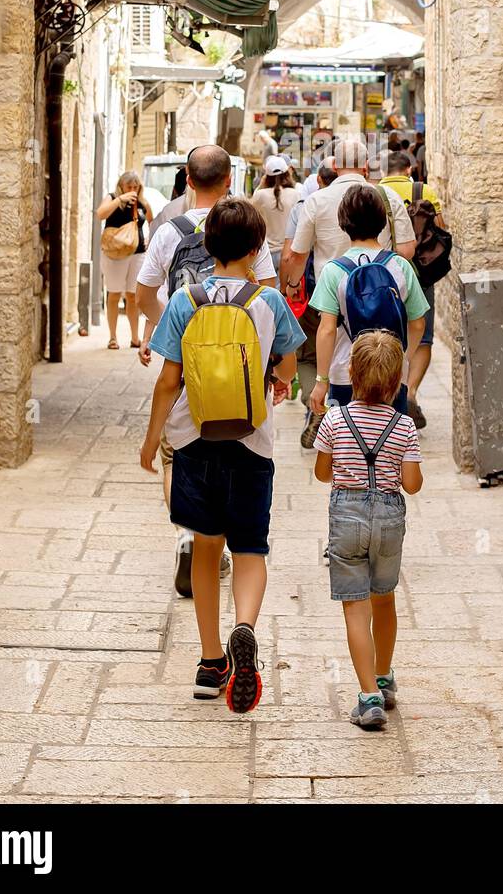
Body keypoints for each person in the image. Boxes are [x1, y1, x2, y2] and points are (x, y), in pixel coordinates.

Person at [140, 197, 304, 713]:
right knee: (251, 548)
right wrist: (277, 383)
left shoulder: (185, 301)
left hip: (194, 440)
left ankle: (212, 662)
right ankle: (245, 627)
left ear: (206, 245)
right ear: (257, 250)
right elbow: (289, 366)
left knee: (207, 549)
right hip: (252, 443)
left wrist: (150, 442)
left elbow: (168, 382)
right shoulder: (268, 301)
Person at [135, 145, 276, 595]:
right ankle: (228, 541)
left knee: (178, 452)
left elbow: (143, 295)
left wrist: (166, 331)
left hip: (186, 362)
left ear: (187, 180)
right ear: (229, 179)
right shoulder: (248, 227)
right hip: (239, 369)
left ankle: (187, 535)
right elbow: (268, 294)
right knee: (238, 449)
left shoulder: (167, 232)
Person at [313, 330, 423, 730]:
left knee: (354, 607)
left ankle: (368, 696)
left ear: (351, 374)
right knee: (384, 598)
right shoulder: (404, 426)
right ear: (396, 383)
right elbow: (411, 483)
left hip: (347, 516)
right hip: (389, 517)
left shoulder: (335, 420)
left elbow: (323, 472)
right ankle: (383, 674)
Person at [308, 184, 427, 416]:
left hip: (346, 373)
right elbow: (418, 323)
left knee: (345, 442)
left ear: (343, 222)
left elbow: (327, 330)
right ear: (383, 221)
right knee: (390, 440)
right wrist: (401, 359)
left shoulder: (333, 271)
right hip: (392, 375)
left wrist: (322, 380)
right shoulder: (400, 266)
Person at [280, 137, 415, 297]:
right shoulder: (388, 196)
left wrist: (293, 284)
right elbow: (406, 251)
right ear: (365, 165)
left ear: (335, 165)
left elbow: (299, 255)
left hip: (331, 295)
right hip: (380, 293)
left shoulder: (315, 201)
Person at [380, 150, 446, 429]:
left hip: (385, 274)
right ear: (410, 168)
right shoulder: (425, 190)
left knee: (387, 334)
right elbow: (442, 230)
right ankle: (411, 390)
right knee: (424, 336)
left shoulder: (375, 192)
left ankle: (387, 394)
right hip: (420, 275)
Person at [280, 163, 336, 449]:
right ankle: (342, 418)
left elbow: (291, 256)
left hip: (309, 295)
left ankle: (314, 406)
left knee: (305, 355)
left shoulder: (304, 206)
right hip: (345, 293)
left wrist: (287, 288)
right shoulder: (356, 201)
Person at [96, 172, 153, 350]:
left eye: (136, 187)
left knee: (132, 296)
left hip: (137, 254)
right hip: (115, 254)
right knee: (114, 294)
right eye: (129, 187)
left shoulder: (142, 202)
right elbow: (100, 214)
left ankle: (135, 338)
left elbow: (152, 220)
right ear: (121, 186)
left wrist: (150, 239)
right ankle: (113, 337)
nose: (133, 190)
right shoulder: (112, 198)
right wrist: (120, 199)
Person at [251, 156, 300, 274]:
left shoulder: (260, 195)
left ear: (266, 176)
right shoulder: (295, 194)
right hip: (289, 252)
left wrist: (261, 185)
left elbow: (251, 216)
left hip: (265, 253)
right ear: (287, 173)